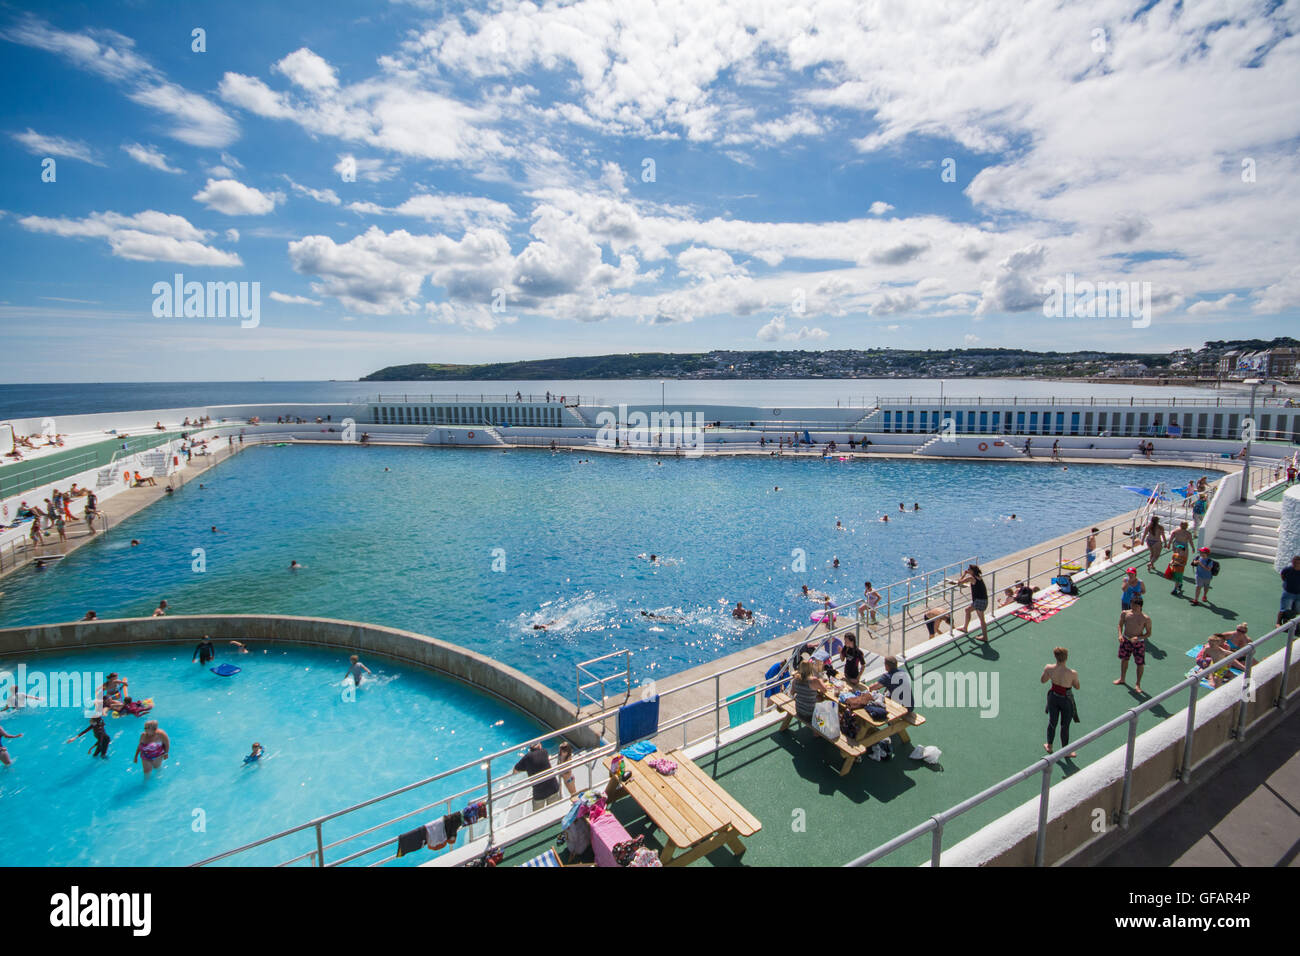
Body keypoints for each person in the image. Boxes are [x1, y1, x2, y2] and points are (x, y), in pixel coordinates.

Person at [1041, 646, 1079, 757]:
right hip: (1066, 700)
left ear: (1055, 657)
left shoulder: (1049, 668)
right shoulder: (1072, 673)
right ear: (1066, 657)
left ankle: (1049, 745)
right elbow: (1077, 686)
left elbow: (1043, 680)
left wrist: (1050, 674)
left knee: (1052, 722)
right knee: (1065, 725)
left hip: (1053, 697)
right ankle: (1065, 751)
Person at [1115, 596, 1151, 693]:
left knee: (1140, 664)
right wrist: (1119, 635)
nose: (1133, 607)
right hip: (1126, 640)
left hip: (1138, 643)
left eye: (1135, 606)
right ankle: (1122, 678)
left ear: (1140, 606)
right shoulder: (1125, 613)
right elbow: (1120, 625)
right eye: (1132, 605)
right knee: (1124, 659)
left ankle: (1138, 684)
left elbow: (1148, 633)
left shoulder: (1146, 618)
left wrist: (1138, 638)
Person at [514, 742, 561, 811]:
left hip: (539, 792)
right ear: (539, 745)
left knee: (537, 814)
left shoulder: (527, 758)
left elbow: (515, 771)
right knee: (554, 810)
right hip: (553, 787)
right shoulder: (545, 752)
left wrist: (526, 768)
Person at [957, 564, 990, 642]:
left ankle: (985, 637)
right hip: (983, 599)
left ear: (972, 571)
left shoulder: (971, 578)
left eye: (969, 569)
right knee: (967, 610)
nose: (968, 570)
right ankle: (965, 628)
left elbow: (959, 583)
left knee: (982, 619)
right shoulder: (979, 577)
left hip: (979, 601)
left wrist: (964, 574)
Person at [1168, 521, 1194, 596]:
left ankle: (1176, 572)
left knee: (1176, 558)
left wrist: (1169, 544)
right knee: (1182, 560)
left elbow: (1171, 539)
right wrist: (1193, 547)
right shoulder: (1188, 533)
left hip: (1176, 544)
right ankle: (1179, 576)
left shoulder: (1176, 531)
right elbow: (1190, 541)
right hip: (1184, 546)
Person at [1277, 555, 1300, 626]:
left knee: (1298, 610)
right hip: (1288, 593)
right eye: (1294, 563)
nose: (1296, 564)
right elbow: (1282, 575)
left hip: (1299, 594)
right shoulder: (1288, 569)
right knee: (1284, 609)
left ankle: (1295, 623)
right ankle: (1278, 622)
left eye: (1298, 563)